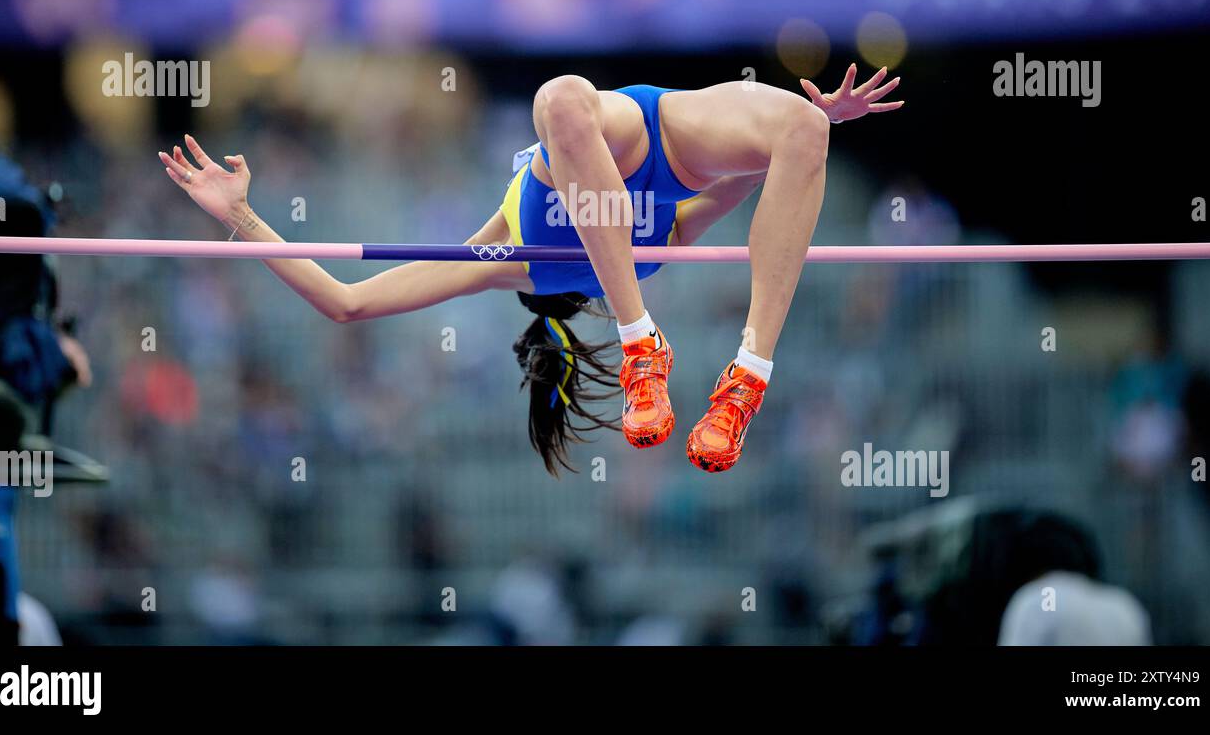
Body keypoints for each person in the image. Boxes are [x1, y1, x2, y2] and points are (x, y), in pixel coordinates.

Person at [158, 67, 903, 475]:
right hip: (648, 136)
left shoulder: (519, 261)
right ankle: (687, 359)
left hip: (639, 132)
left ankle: (735, 371)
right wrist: (239, 218)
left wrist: (240, 215)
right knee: (567, 103)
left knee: (797, 128)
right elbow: (347, 304)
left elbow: (344, 300)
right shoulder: (602, 248)